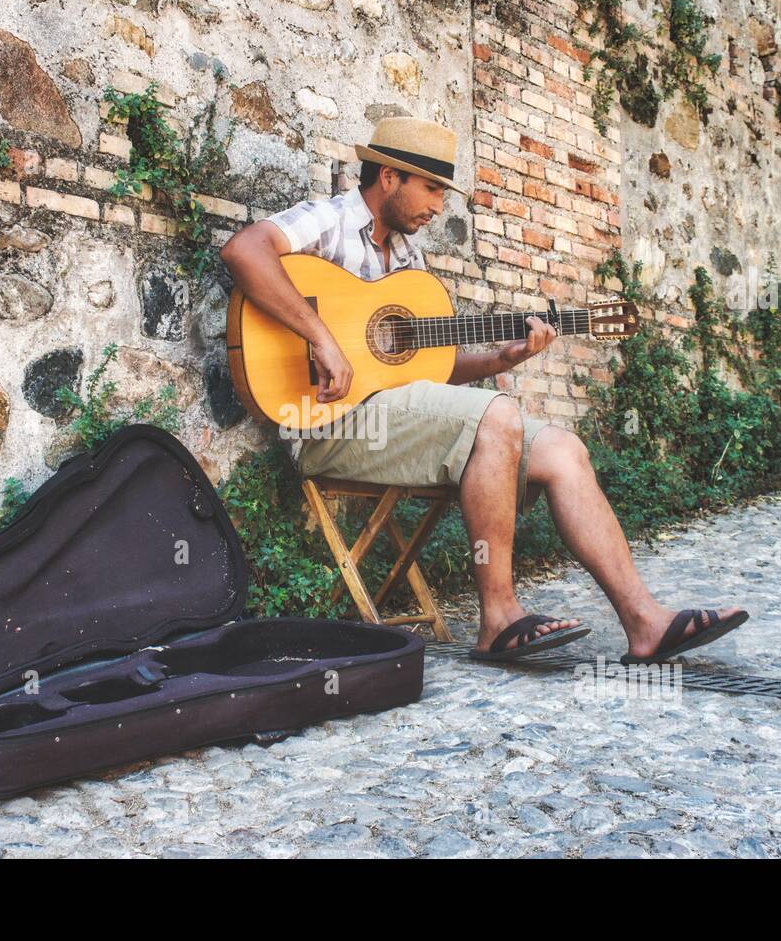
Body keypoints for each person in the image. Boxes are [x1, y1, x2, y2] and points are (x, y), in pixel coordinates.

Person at [220, 116, 748, 662]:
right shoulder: (329, 220)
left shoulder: (407, 261)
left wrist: (502, 357)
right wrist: (322, 339)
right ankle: (499, 619)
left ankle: (646, 623)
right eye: (431, 189)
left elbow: (426, 375)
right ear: (389, 177)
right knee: (496, 416)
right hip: (325, 422)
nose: (439, 206)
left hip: (397, 420)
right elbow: (244, 251)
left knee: (564, 451)